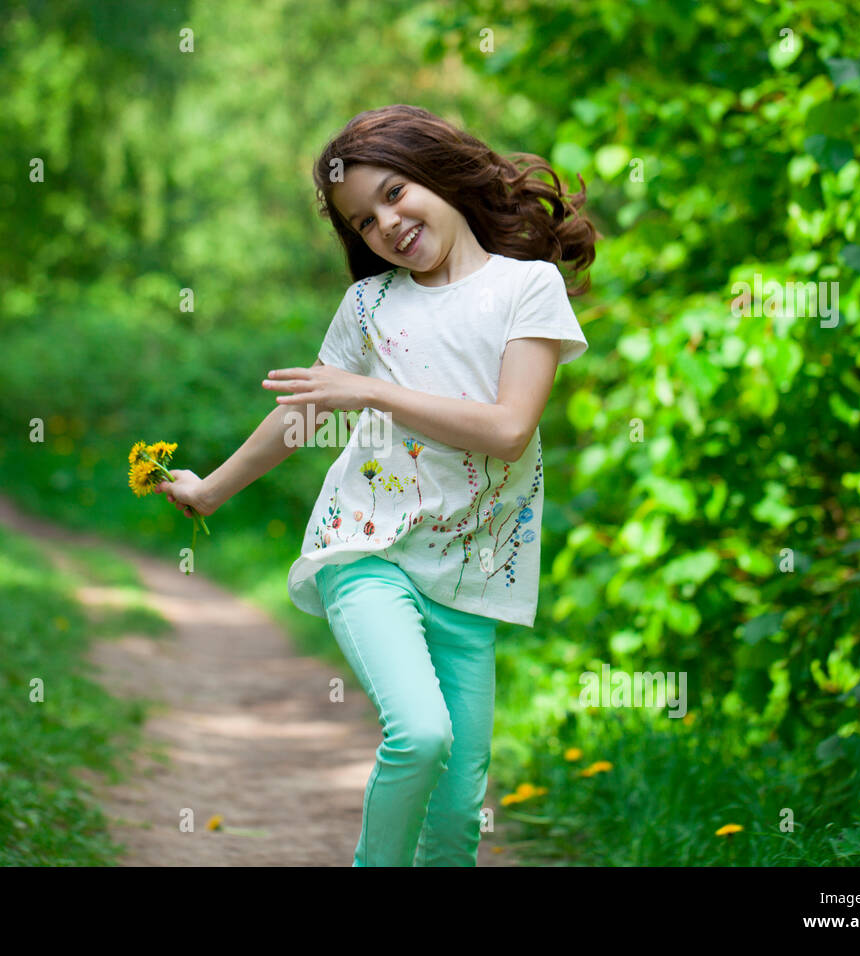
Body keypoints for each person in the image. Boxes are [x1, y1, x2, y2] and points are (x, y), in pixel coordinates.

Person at [155, 104, 598, 866]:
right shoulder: (370, 305)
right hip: (366, 552)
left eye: (396, 193)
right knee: (421, 734)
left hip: (470, 575)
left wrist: (372, 393)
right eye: (363, 221)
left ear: (440, 175)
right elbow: (300, 416)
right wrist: (210, 491)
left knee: (458, 813)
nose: (387, 224)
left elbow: (507, 428)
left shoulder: (527, 289)